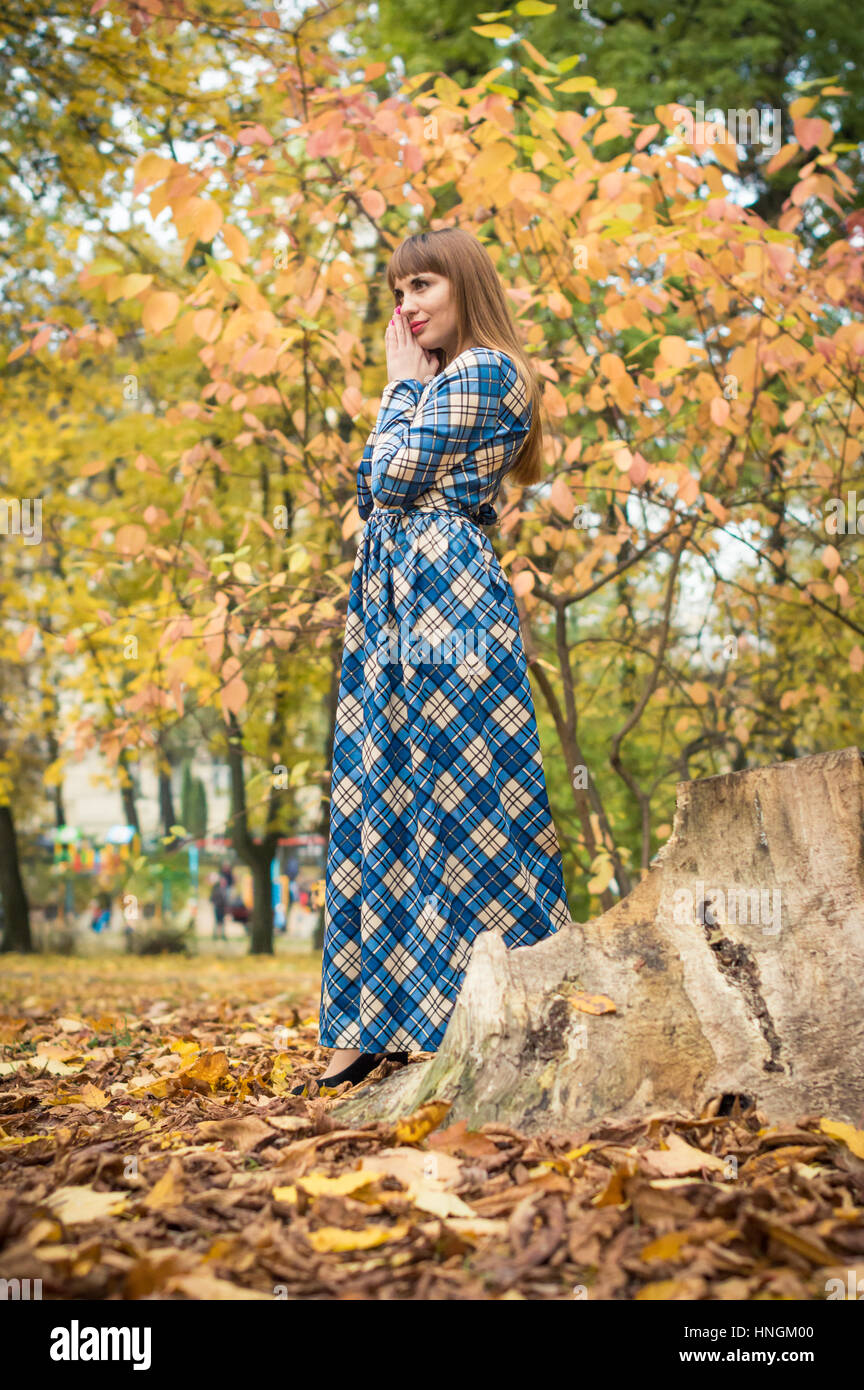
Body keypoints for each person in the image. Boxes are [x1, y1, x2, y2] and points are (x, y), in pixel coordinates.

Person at [294, 228, 572, 1097]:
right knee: (380, 791)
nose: (406, 307)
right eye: (397, 292)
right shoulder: (441, 379)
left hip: (445, 595)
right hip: (391, 597)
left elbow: (388, 473)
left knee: (462, 795)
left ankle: (502, 1005)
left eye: (421, 286)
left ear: (464, 286)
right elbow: (382, 487)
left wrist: (395, 392)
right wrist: (407, 396)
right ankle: (368, 1022)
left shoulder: (488, 371)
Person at [210, 874, 228, 940]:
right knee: (217, 922)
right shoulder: (216, 889)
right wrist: (216, 903)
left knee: (222, 922)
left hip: (223, 907)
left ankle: (222, 935)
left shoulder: (225, 889)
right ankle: (215, 936)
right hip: (218, 907)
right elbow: (212, 898)